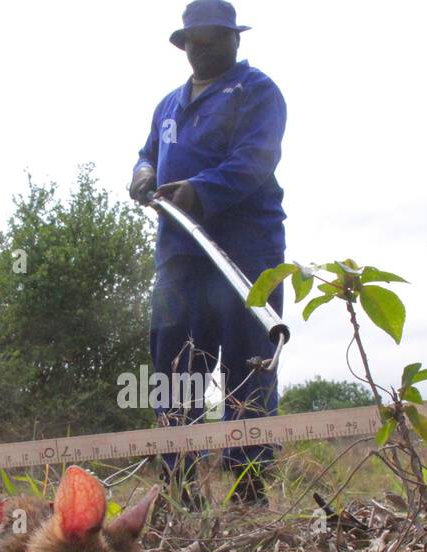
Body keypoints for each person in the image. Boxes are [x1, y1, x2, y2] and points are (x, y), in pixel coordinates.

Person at [130, 0, 286, 507]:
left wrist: (200, 190)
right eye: (193, 40)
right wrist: (142, 173)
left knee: (249, 365)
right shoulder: (167, 105)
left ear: (235, 39)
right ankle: (181, 492)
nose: (201, 48)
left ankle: (248, 492)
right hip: (179, 258)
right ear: (183, 45)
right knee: (175, 370)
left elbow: (255, 160)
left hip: (245, 255)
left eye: (213, 38)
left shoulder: (257, 92)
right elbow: (147, 152)